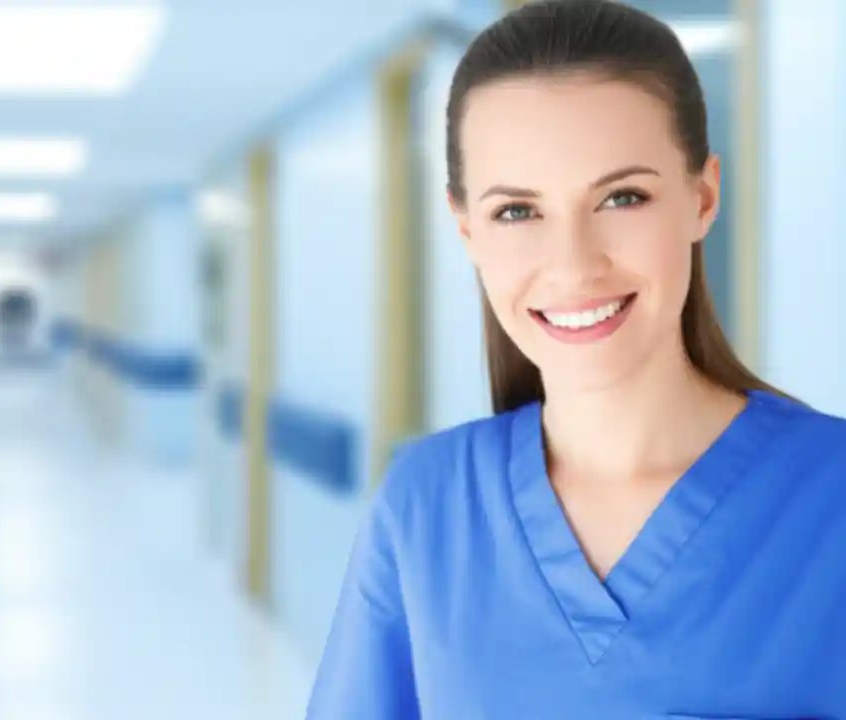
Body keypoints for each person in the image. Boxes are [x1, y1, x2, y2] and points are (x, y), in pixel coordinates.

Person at [306, 1, 846, 717]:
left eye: (622, 197)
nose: (574, 265)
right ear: (467, 229)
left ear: (702, 196)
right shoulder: (424, 505)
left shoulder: (829, 502)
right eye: (518, 211)